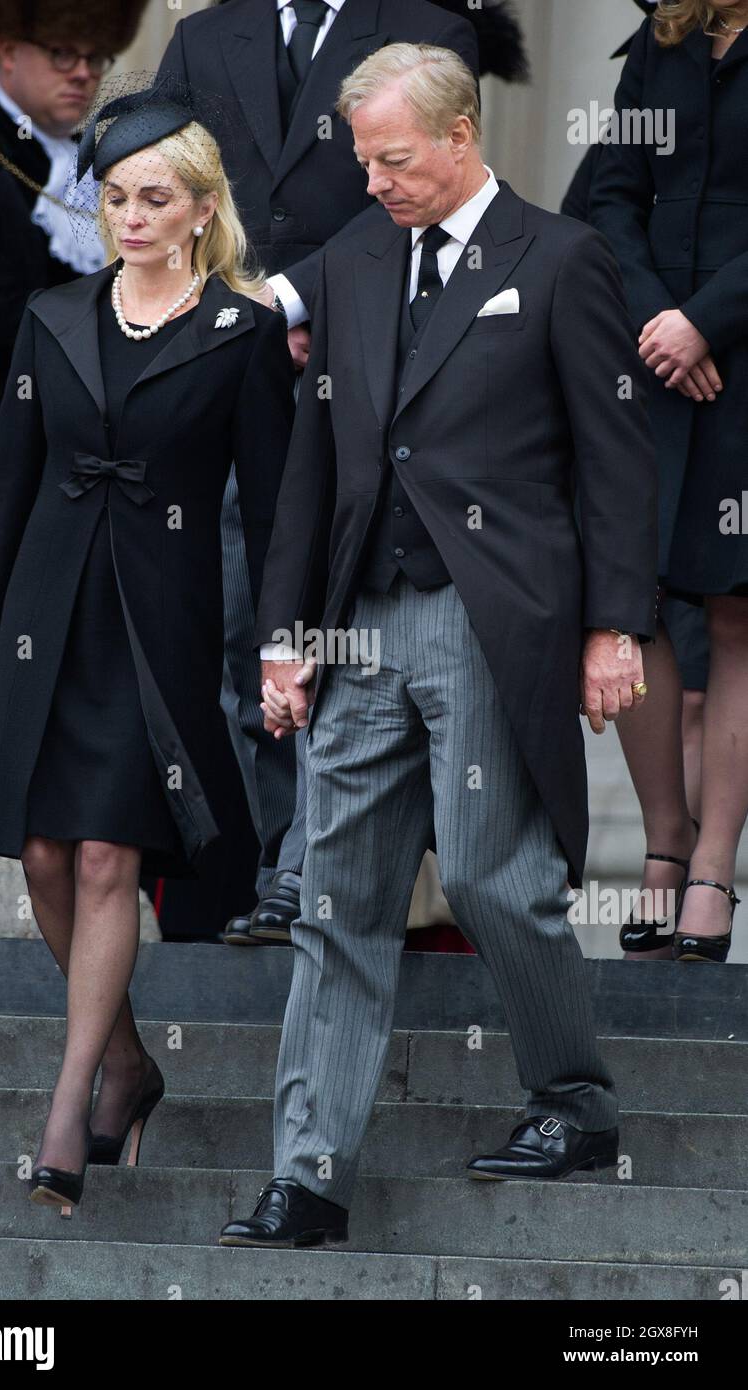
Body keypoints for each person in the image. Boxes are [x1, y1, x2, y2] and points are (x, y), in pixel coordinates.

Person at [219, 41, 658, 1248]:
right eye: (360, 156)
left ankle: (572, 1104)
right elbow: (310, 470)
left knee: (487, 875)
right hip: (357, 615)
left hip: (490, 614)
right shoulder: (356, 260)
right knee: (332, 894)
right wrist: (283, 636)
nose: (370, 181)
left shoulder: (562, 259)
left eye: (392, 158)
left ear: (461, 137)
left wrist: (613, 622)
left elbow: (614, 461)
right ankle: (307, 1176)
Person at [0, 76, 295, 1214]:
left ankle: (70, 1099)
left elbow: (278, 503)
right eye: (113, 198)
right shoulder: (54, 316)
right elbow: (4, 490)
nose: (129, 217)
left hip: (160, 624)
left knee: (107, 858)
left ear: (201, 208)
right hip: (48, 613)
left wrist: (285, 645)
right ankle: (133, 1062)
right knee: (45, 858)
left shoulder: (242, 334)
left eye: (153, 198)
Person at [158, 0, 481, 946]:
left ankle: (315, 871)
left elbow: (426, 188)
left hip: (367, 365)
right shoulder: (202, 35)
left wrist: (296, 297)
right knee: (240, 629)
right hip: (222, 370)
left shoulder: (428, 24)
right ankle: (253, 866)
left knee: (343, 630)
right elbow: (166, 183)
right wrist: (214, 313)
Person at [0, 0, 148, 708]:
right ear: (10, 51)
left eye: (94, 61)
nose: (81, 75)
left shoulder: (89, 170)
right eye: (62, 54)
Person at [589, 0, 748, 963]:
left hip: (742, 367)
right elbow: (611, 196)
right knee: (632, 597)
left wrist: (708, 320)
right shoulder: (662, 43)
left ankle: (713, 869)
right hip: (653, 366)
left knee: (733, 616)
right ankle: (663, 842)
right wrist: (659, 319)